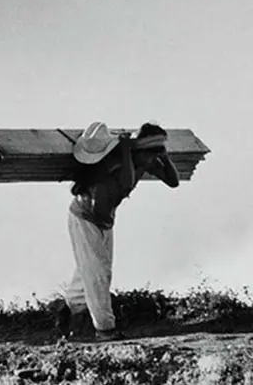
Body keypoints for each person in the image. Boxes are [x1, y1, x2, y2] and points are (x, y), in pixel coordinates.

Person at [58, 121, 180, 341]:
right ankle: (105, 329)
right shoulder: (115, 162)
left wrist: (164, 156)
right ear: (139, 151)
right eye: (151, 154)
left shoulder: (143, 162)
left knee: (90, 269)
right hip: (85, 218)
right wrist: (127, 152)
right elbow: (125, 183)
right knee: (98, 275)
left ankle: (69, 312)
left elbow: (173, 181)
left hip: (104, 221)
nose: (153, 159)